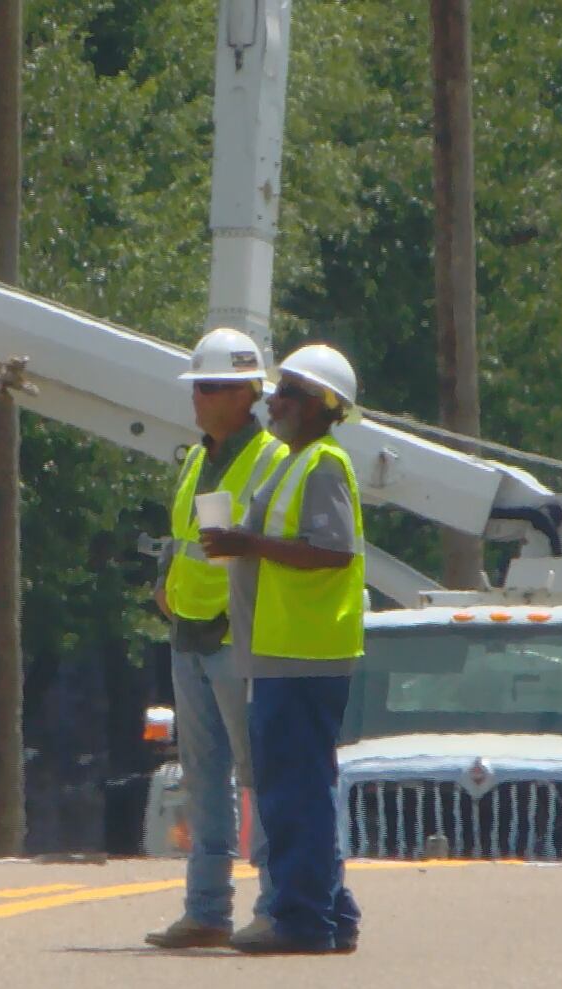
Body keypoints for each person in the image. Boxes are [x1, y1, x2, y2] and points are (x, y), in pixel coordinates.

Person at [201, 344, 364, 955]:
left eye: (290, 393)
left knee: (294, 787)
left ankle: (302, 919)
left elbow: (334, 550)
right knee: (297, 783)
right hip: (279, 647)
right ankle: (329, 910)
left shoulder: (322, 463)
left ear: (324, 406)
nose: (275, 401)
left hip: (304, 650)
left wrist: (249, 543)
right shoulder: (293, 461)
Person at [143, 327, 288, 950]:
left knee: (257, 773)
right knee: (204, 775)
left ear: (248, 392)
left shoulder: (272, 459)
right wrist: (162, 584)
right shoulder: (200, 457)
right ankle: (206, 909)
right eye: (198, 387)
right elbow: (184, 538)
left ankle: (274, 903)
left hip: (238, 635)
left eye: (212, 388)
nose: (198, 398)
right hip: (191, 634)